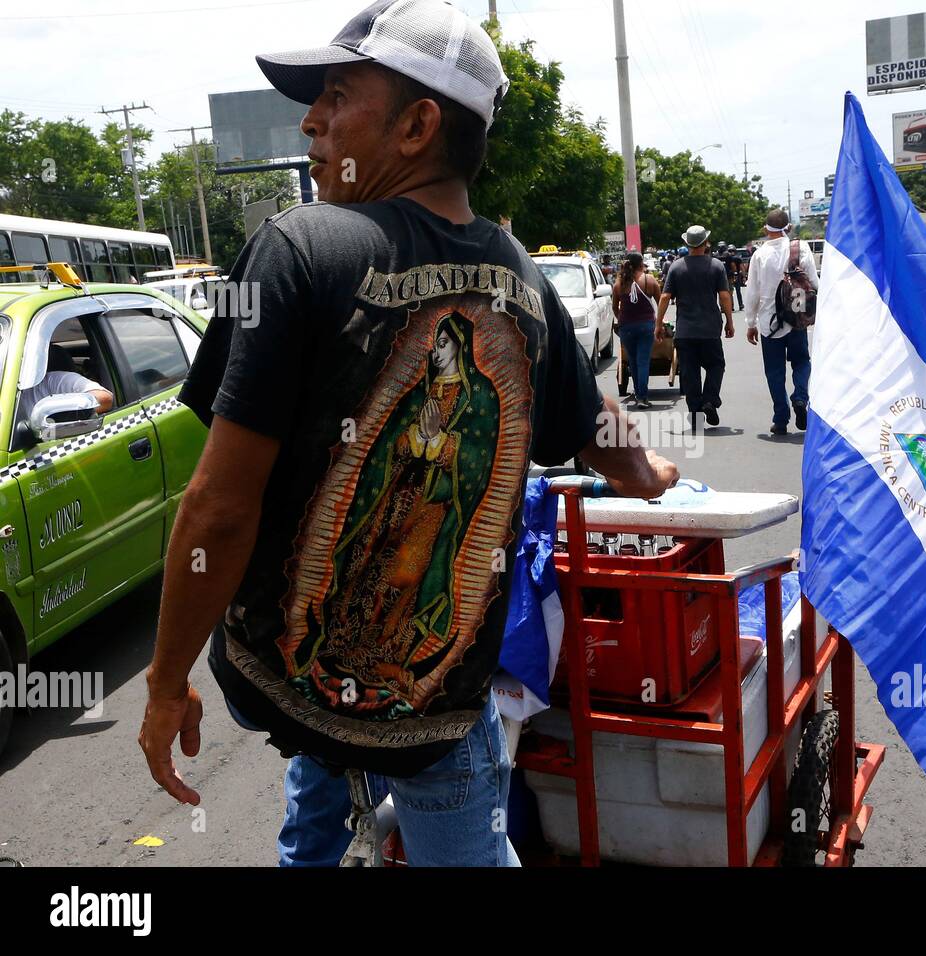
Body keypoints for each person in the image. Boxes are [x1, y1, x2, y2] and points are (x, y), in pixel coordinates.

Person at [138, 0, 678, 869]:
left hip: (279, 679)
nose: (310, 119)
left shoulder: (299, 248)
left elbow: (219, 510)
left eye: (338, 94)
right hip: (432, 715)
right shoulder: (521, 277)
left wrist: (165, 685)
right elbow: (594, 428)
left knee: (317, 779)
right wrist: (648, 469)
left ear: (418, 124)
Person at [744, 209, 818, 435]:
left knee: (774, 372)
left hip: (769, 322)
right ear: (788, 228)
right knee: (802, 362)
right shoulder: (801, 248)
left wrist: (750, 322)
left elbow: (753, 291)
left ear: (766, 229)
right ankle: (800, 398)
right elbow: (814, 282)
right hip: (796, 318)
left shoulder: (759, 255)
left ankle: (780, 418)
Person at [658, 224, 733, 431]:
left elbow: (665, 297)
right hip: (710, 329)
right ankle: (709, 400)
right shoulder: (716, 266)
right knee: (716, 365)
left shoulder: (676, 267)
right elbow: (725, 296)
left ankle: (696, 414)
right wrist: (729, 321)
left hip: (685, 330)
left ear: (687, 244)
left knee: (690, 373)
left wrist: (658, 324)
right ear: (706, 243)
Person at [613, 251, 660, 409]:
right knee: (643, 361)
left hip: (626, 327)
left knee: (632, 361)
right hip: (646, 326)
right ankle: (642, 396)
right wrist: (659, 323)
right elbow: (661, 303)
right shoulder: (649, 280)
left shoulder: (619, 283)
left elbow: (615, 307)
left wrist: (621, 319)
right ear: (641, 264)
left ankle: (638, 393)